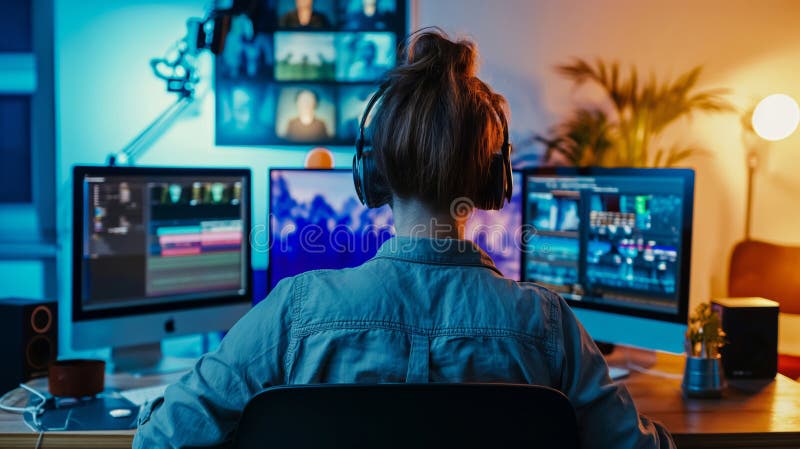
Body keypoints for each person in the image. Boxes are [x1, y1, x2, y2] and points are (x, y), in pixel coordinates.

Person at [133, 29, 675, 449]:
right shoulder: (547, 326)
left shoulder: (296, 312)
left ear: (372, 175)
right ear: (492, 181)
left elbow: (160, 440)